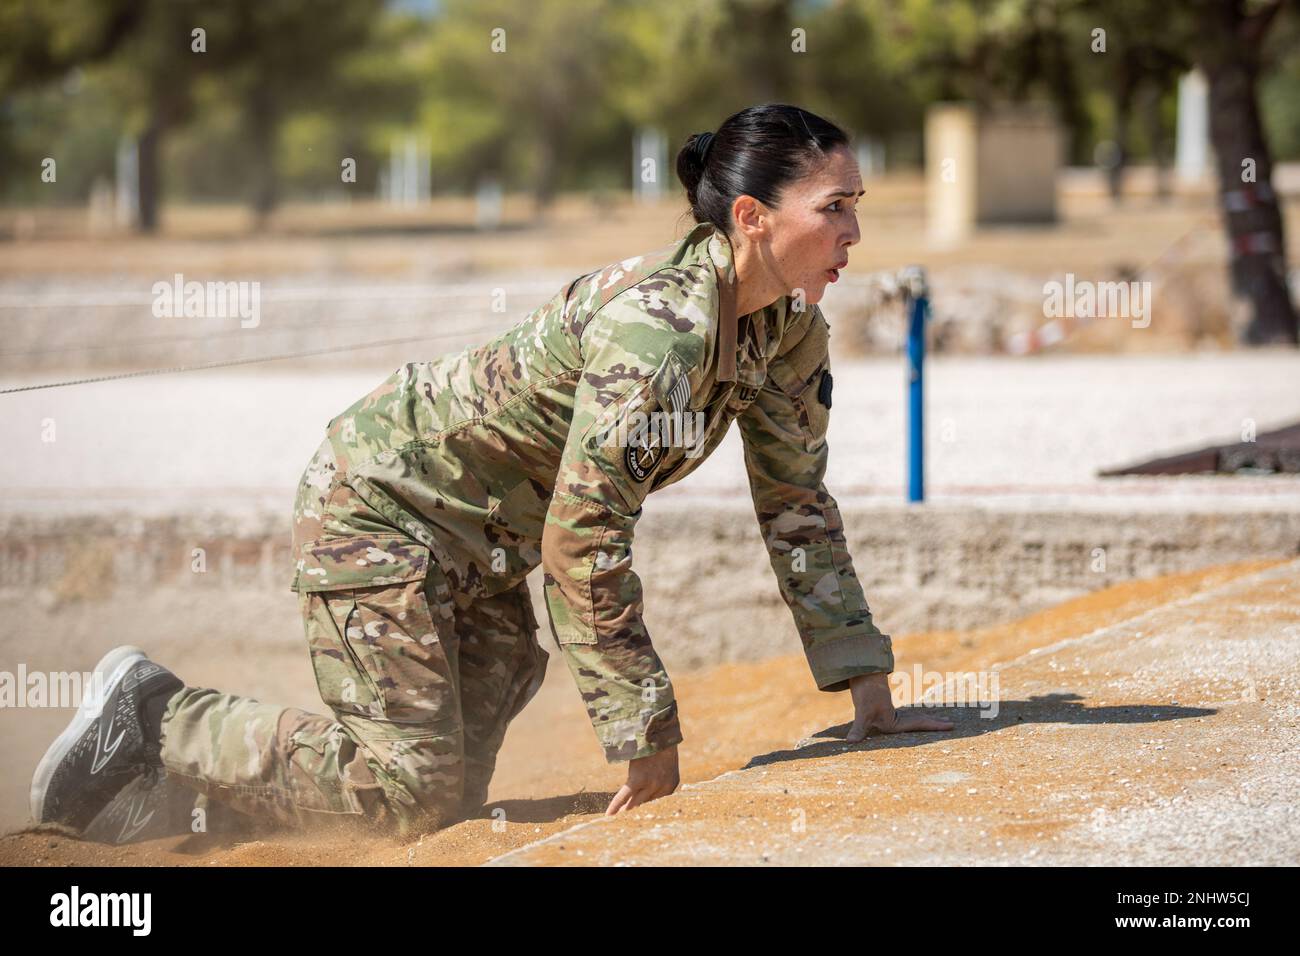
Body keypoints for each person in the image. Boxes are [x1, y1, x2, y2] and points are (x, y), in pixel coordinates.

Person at [30, 103, 953, 842]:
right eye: (835, 208)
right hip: (383, 508)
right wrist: (647, 738)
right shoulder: (659, 331)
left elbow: (796, 504)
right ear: (751, 217)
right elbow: (584, 537)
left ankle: (166, 798)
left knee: (463, 762)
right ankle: (157, 715)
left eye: (857, 204)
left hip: (478, 544)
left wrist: (861, 679)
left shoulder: (786, 326)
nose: (856, 233)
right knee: (410, 795)